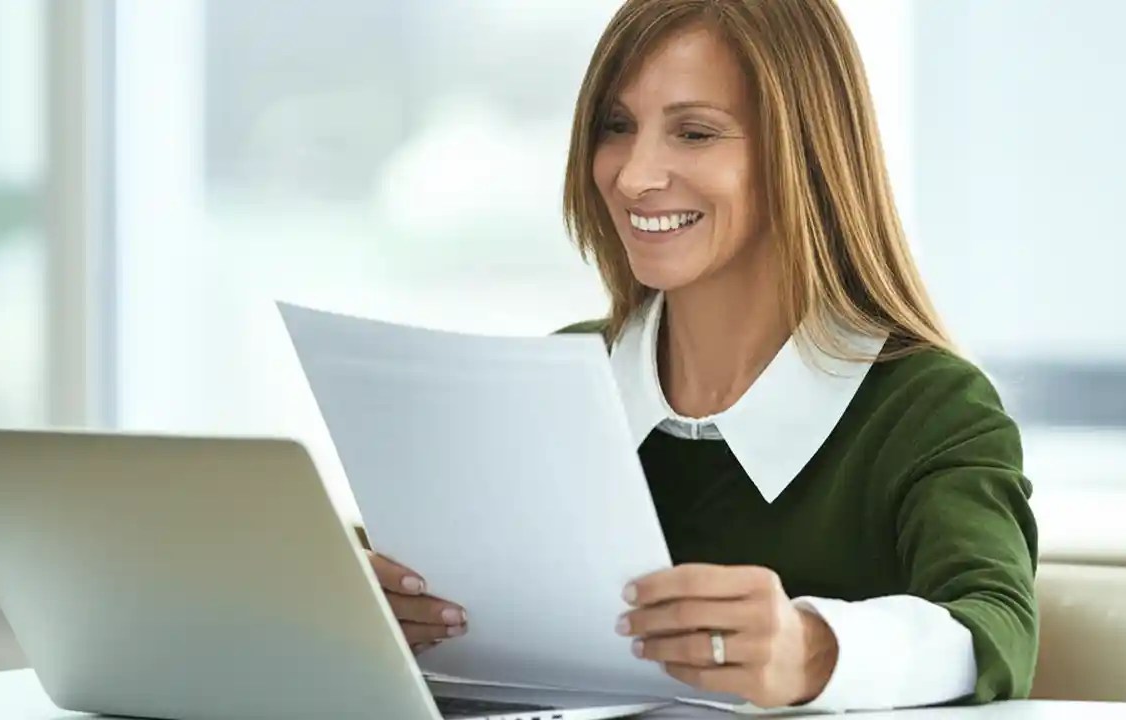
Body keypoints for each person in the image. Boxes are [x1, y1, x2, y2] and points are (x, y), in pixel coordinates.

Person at [367, 0, 1038, 712]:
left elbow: (995, 624)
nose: (632, 177)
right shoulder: (558, 376)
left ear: (801, 150)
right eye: (617, 127)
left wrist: (812, 650)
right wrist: (381, 618)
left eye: (693, 132)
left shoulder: (928, 405)